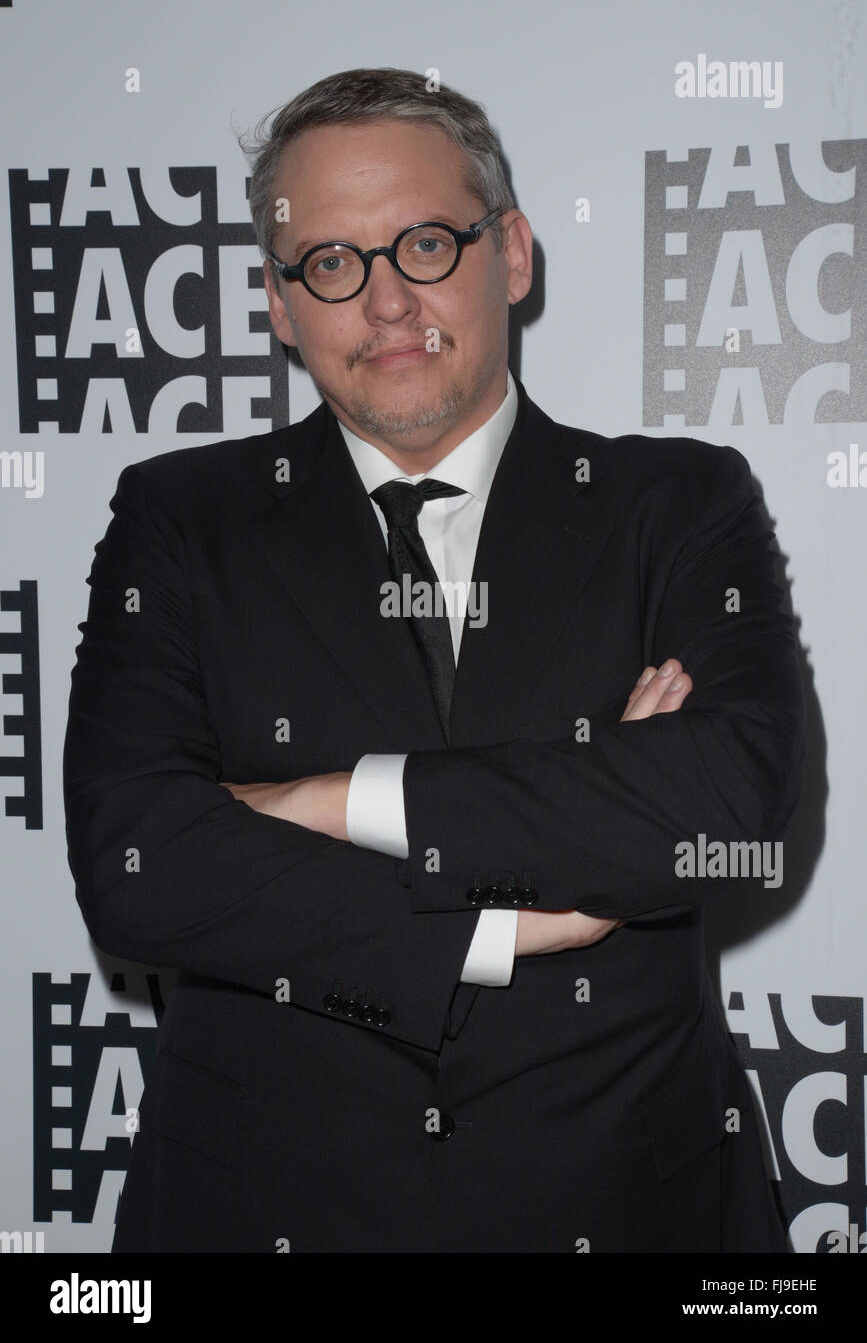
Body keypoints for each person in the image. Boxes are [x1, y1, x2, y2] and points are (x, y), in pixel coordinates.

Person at [63, 67, 805, 1254]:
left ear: (512, 252)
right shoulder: (178, 518)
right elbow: (140, 863)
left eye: (423, 243)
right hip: (266, 1211)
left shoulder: (674, 501)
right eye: (332, 265)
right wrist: (502, 923)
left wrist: (325, 800)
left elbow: (732, 803)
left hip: (625, 1204)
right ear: (279, 303)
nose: (387, 304)